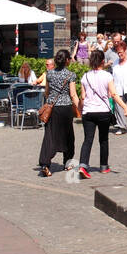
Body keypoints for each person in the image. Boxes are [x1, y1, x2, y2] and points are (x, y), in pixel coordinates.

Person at [78, 49, 127, 178]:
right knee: (103, 139)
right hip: (103, 112)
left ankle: (83, 166)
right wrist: (125, 107)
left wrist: (79, 110)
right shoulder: (107, 76)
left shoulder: (85, 76)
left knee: (87, 140)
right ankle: (103, 166)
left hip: (88, 112)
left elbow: (83, 97)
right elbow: (113, 94)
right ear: (103, 61)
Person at [37, 48, 79, 177]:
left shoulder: (49, 74)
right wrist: (80, 108)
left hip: (53, 107)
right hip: (65, 108)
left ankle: (45, 164)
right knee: (68, 135)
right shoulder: (70, 75)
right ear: (67, 61)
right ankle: (67, 162)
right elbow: (73, 94)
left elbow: (46, 92)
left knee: (49, 136)